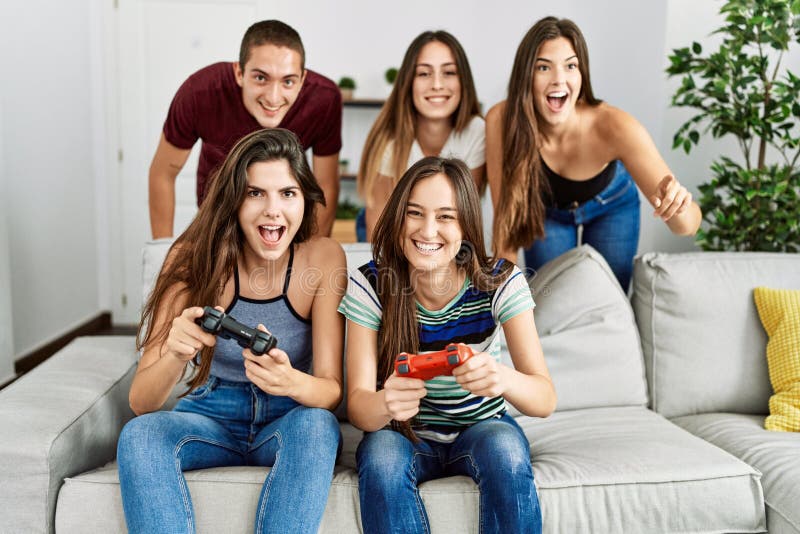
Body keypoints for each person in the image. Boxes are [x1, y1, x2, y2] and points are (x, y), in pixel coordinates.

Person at [118, 128, 346, 534]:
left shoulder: (323, 257)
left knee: (318, 427)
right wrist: (175, 354)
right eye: (255, 193)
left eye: (287, 193)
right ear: (234, 199)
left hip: (289, 414)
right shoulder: (191, 257)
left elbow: (330, 390)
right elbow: (141, 402)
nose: (273, 210)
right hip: (212, 412)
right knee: (139, 436)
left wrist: (291, 381)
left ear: (304, 199)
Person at [340, 156, 556, 533]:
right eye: (414, 213)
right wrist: (385, 402)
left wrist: (502, 378)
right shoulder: (370, 283)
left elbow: (545, 399)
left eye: (445, 216)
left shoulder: (500, 281)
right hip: (403, 433)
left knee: (506, 452)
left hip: (482, 426)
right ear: (398, 217)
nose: (428, 231)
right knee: (382, 458)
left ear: (465, 226)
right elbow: (359, 407)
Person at [486, 16, 702, 289]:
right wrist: (504, 301)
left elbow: (688, 226)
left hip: (612, 206)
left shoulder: (615, 126)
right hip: (546, 212)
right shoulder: (501, 121)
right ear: (525, 76)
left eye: (571, 66)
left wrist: (678, 207)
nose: (559, 79)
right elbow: (505, 232)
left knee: (608, 297)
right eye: (543, 67)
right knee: (547, 298)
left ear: (582, 74)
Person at [149, 19, 342, 240]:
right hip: (219, 216)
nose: (273, 98)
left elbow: (326, 185)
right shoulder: (199, 93)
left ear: (302, 80)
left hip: (283, 220)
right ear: (239, 73)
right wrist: (162, 249)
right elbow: (163, 174)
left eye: (288, 81)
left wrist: (312, 250)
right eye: (260, 78)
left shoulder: (324, 100)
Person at [356, 30, 485, 242]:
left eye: (449, 72)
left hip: (446, 238)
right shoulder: (388, 138)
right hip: (394, 235)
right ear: (408, 82)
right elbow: (378, 233)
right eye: (424, 74)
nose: (437, 84)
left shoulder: (476, 131)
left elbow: (464, 220)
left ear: (464, 81)